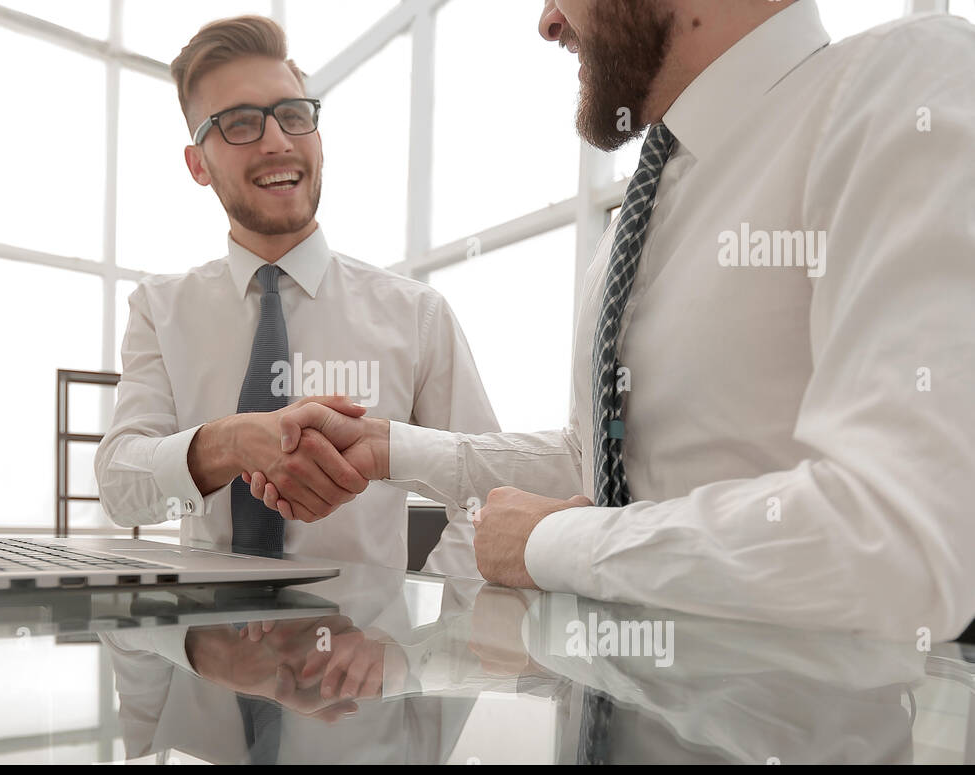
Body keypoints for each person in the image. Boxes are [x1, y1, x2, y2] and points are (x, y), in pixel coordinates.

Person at [247, 0, 975, 641]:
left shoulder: (901, 83)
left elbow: (901, 544)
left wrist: (553, 544)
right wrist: (387, 449)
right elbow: (598, 461)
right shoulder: (639, 214)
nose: (548, 21)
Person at [94, 15, 498, 575]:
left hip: (367, 648)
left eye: (292, 115)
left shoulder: (417, 316)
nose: (277, 143)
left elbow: (487, 492)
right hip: (202, 653)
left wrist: (414, 642)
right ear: (198, 164)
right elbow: (121, 489)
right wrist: (231, 442)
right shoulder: (160, 310)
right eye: (239, 123)